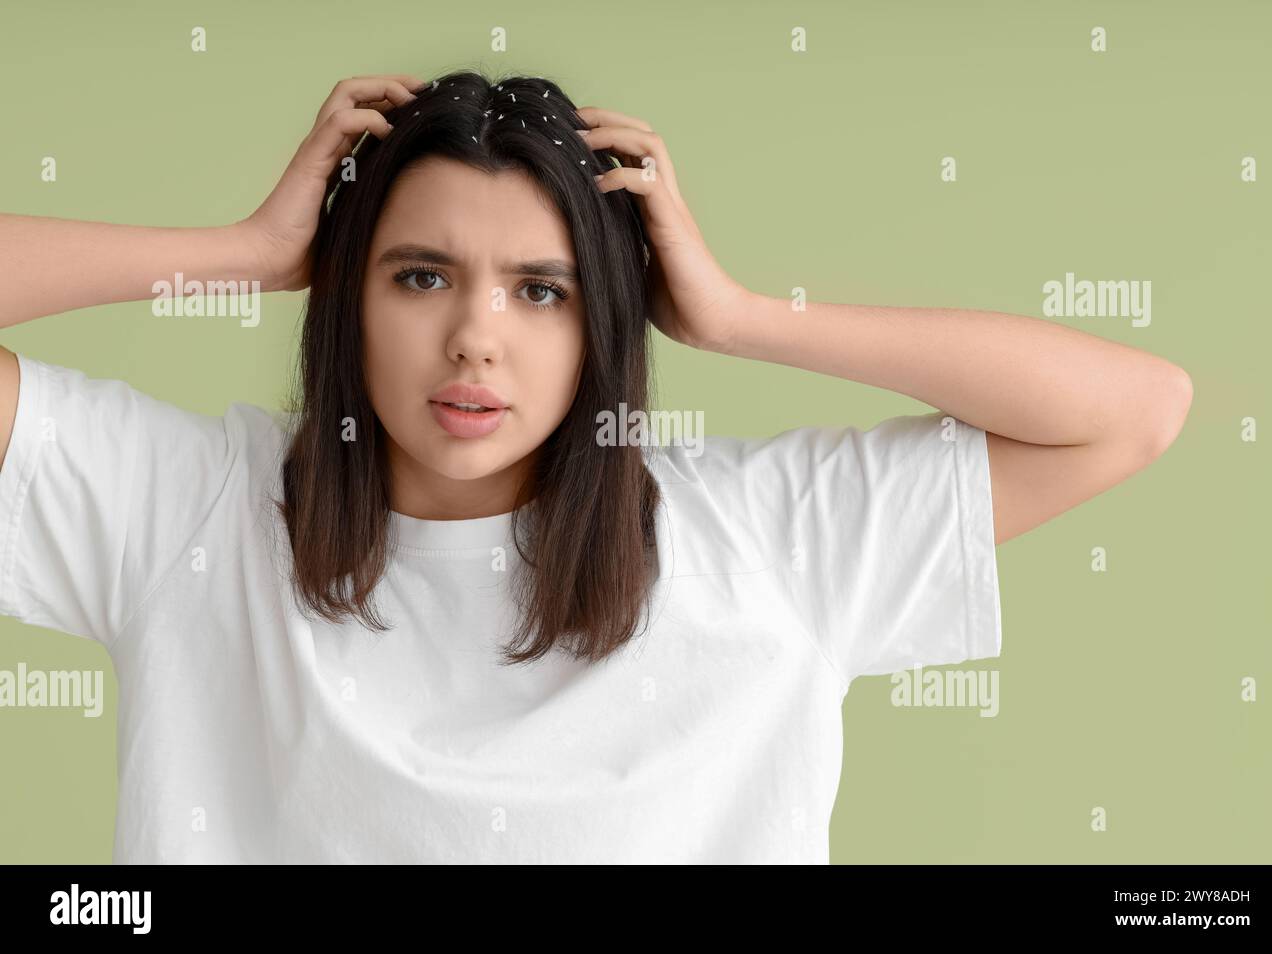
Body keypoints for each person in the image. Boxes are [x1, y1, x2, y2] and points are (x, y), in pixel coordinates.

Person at [0, 69, 1192, 864]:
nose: (475, 336)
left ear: (603, 322)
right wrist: (245, 250)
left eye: (542, 291)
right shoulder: (192, 513)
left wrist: (736, 315)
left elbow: (1133, 412)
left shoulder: (767, 541)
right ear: (347, 297)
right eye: (420, 275)